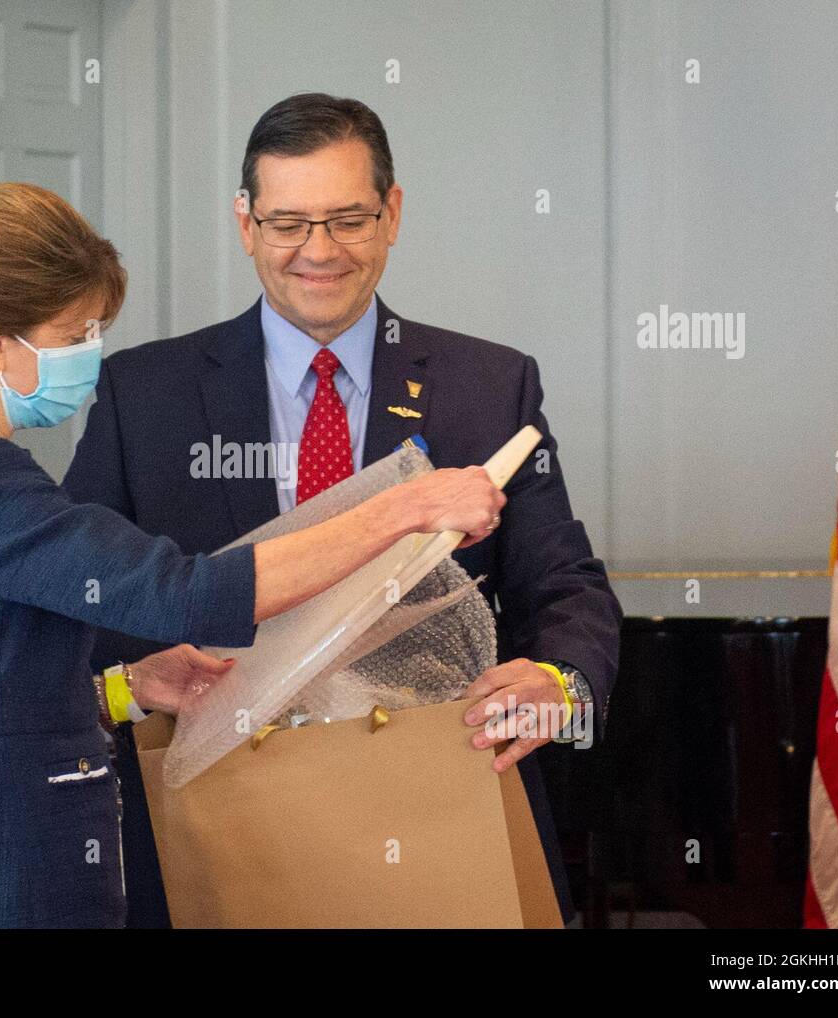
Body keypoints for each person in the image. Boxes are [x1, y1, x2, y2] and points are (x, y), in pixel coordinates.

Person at [0, 181, 508, 928]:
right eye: (73, 334)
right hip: (16, 881)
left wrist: (126, 689)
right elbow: (185, 594)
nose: (91, 355)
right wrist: (403, 507)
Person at [65, 93, 624, 927]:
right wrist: (130, 685)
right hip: (222, 826)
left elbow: (566, 584)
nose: (317, 252)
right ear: (245, 223)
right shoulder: (143, 393)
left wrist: (561, 680)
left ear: (392, 213)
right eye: (287, 223)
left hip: (433, 808)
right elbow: (81, 600)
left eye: (347, 219)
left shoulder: (490, 385)